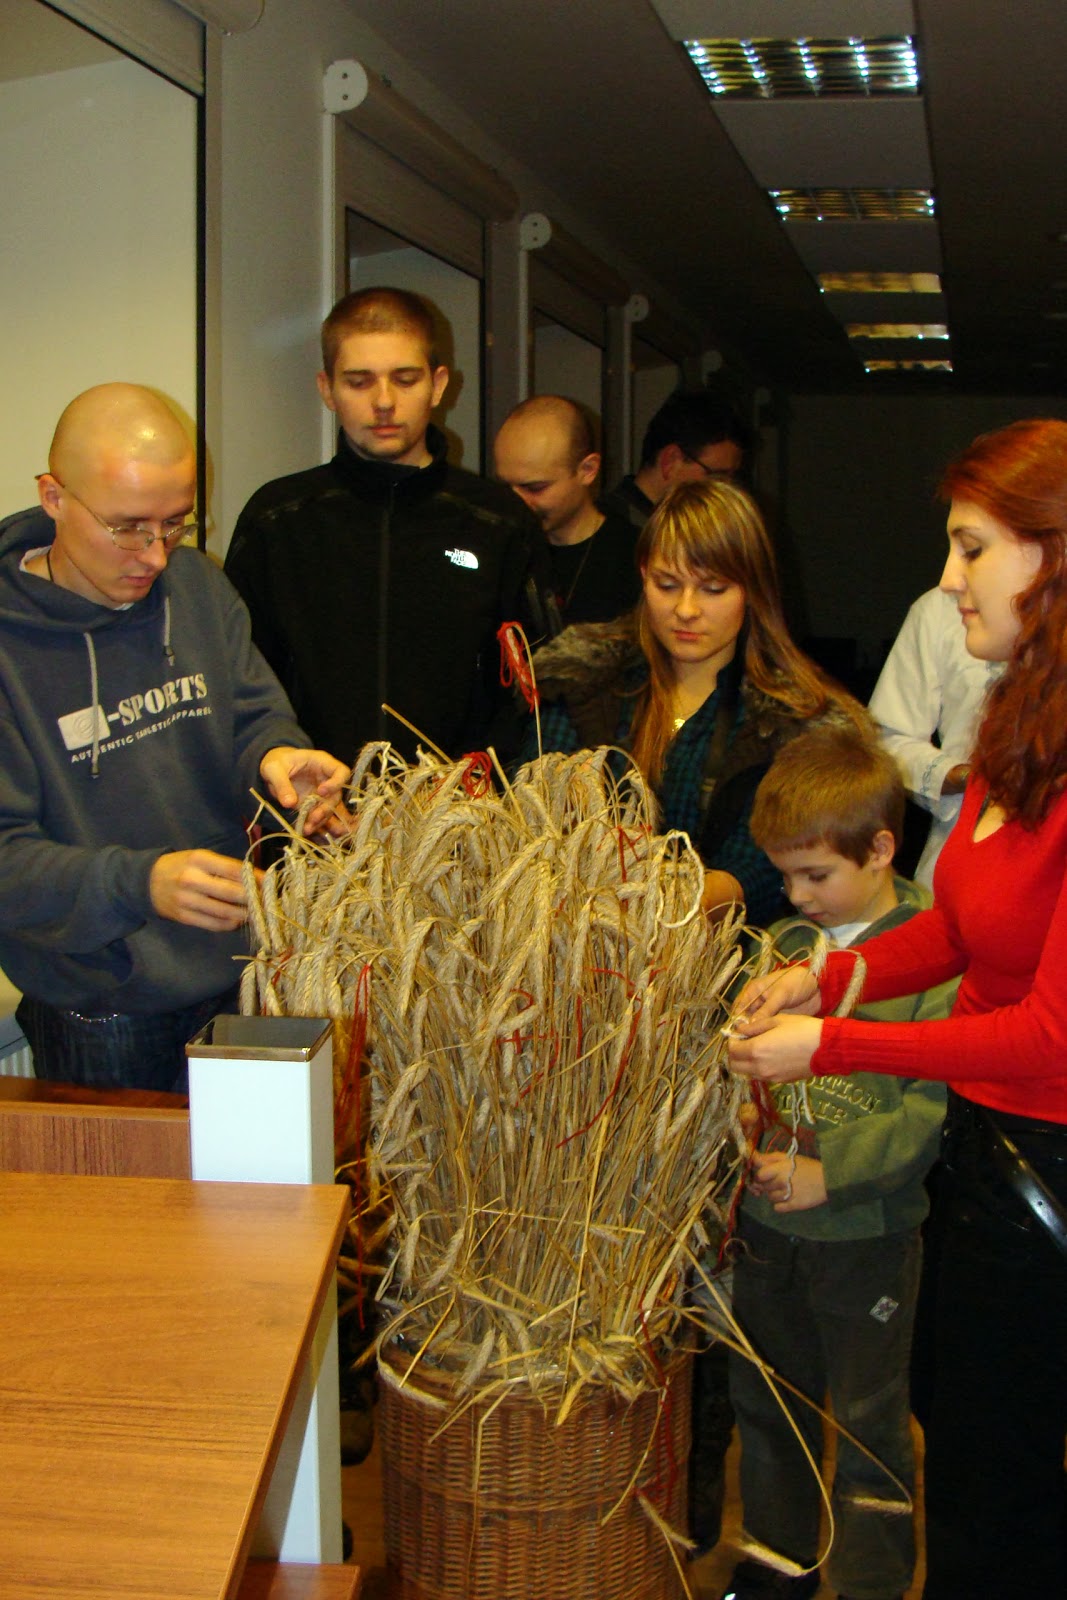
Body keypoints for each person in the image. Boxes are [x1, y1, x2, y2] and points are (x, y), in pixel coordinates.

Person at [727, 417, 1067, 1600]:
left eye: (971, 548)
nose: (945, 577)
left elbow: (1046, 1036)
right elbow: (961, 929)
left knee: (1000, 1479)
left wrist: (831, 1038)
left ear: (1051, 556)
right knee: (966, 1453)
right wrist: (824, 971)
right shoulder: (1024, 724)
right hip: (985, 1175)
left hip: (1043, 1176)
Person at [0, 383, 349, 1093]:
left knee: (254, 1203)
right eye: (128, 527)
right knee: (132, 1207)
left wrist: (276, 758)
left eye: (176, 524)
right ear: (55, 497)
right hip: (103, 1006)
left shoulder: (196, 586)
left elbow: (251, 713)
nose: (155, 556)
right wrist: (141, 883)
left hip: (239, 969)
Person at [723, 726, 951, 1600]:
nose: (796, 894)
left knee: (865, 1424)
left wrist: (834, 1171)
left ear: (881, 847)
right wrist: (746, 1123)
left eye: (815, 874)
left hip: (866, 1234)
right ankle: (777, 1566)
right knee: (766, 1406)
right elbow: (743, 1072)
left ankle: (868, 1583)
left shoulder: (929, 953)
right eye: (784, 874)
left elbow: (928, 1109)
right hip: (765, 1229)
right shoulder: (778, 942)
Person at [225, 286, 547, 765]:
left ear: (438, 385)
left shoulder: (497, 522)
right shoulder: (277, 520)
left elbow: (534, 688)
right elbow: (239, 682)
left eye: (405, 379)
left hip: (463, 822)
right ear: (327, 389)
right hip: (314, 814)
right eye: (358, 381)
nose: (383, 401)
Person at [525, 477, 867, 925]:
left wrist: (670, 904)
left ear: (753, 590)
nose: (686, 610)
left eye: (712, 589)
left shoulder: (799, 721)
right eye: (667, 585)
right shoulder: (582, 681)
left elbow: (775, 865)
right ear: (643, 575)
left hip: (728, 964)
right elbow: (542, 817)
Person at [869, 585, 999, 885]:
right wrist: (957, 775)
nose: (950, 574)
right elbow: (885, 739)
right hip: (963, 853)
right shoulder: (942, 609)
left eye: (972, 548)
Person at [493, 394, 640, 627]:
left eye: (535, 488)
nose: (516, 503)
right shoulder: (497, 548)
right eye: (505, 486)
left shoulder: (639, 559)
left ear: (588, 470)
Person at [601, 388, 748, 531]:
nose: (727, 491)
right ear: (670, 461)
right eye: (718, 476)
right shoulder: (615, 533)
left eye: (731, 479)